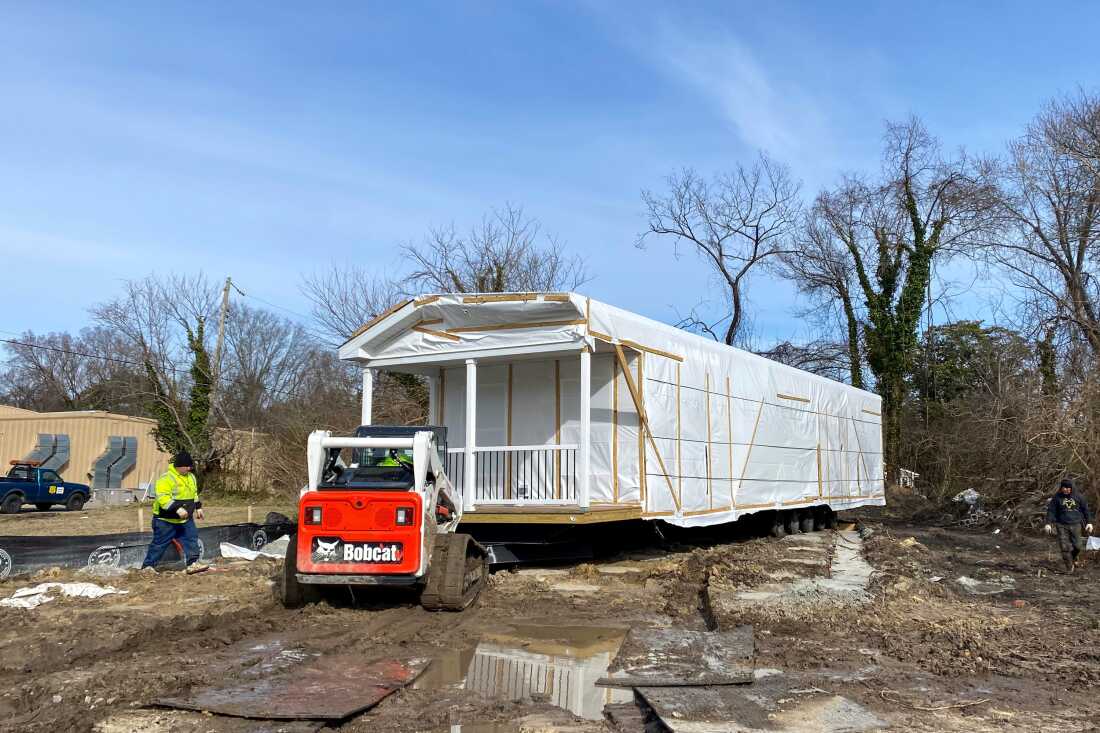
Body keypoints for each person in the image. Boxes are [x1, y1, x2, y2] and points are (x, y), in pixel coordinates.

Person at [141, 451, 209, 574]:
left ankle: (193, 563)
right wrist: (177, 508)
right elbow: (163, 498)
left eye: (190, 466)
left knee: (191, 540)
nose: (189, 468)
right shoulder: (166, 479)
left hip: (185, 520)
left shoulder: (191, 477)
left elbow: (194, 494)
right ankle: (147, 567)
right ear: (179, 466)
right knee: (159, 545)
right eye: (187, 466)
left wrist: (198, 507)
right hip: (165, 521)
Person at [1044, 478, 1093, 573]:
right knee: (1064, 547)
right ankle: (1069, 567)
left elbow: (1086, 510)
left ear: (1071, 488)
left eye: (1068, 488)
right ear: (1061, 488)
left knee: (1078, 546)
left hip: (1076, 524)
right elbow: (1051, 511)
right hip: (1061, 525)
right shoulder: (1057, 498)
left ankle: (1072, 558)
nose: (1065, 489)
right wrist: (1048, 523)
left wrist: (1089, 522)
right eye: (1064, 488)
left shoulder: (1079, 497)